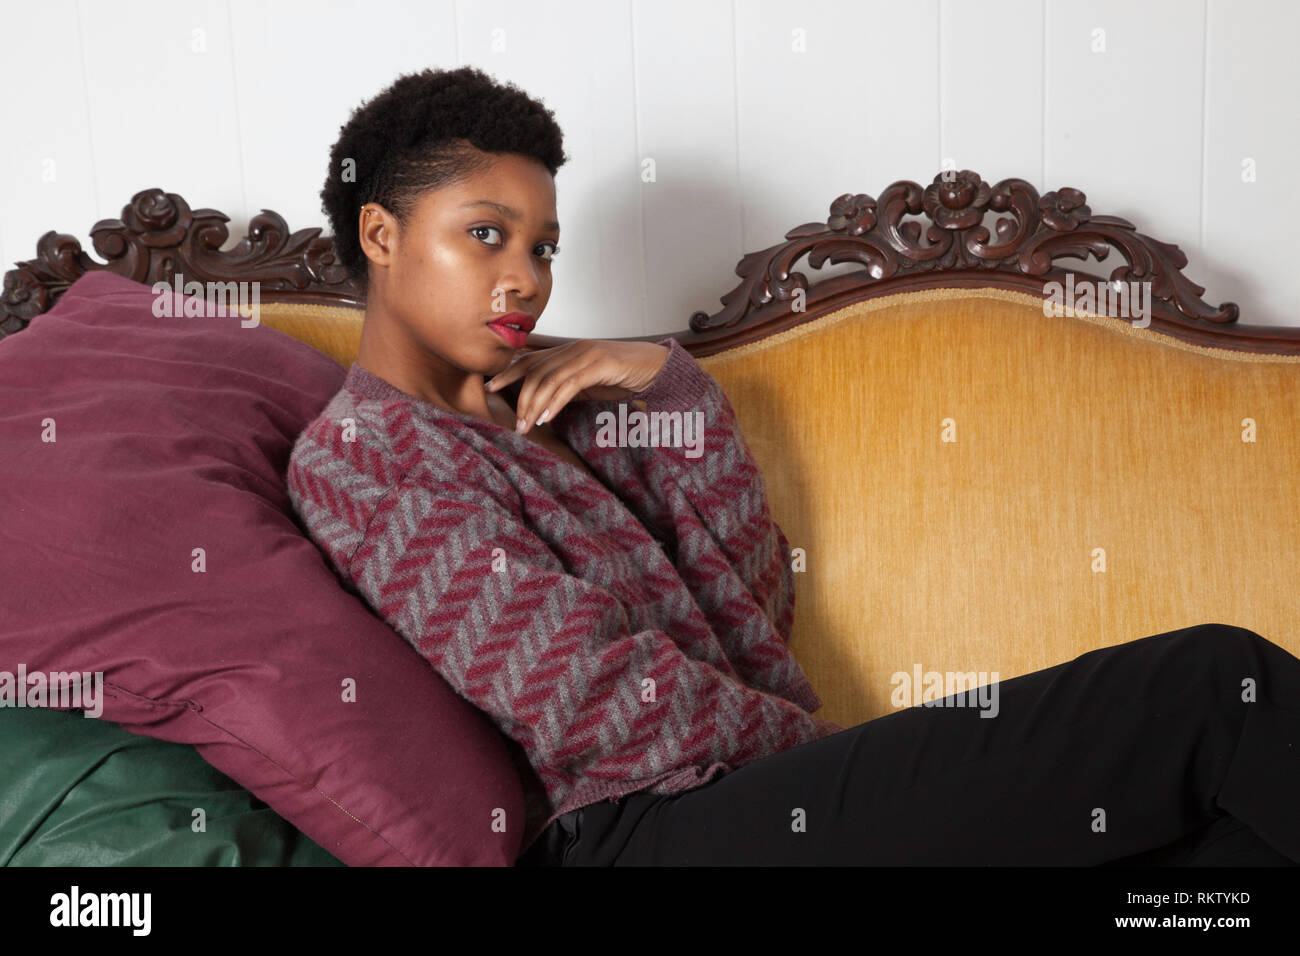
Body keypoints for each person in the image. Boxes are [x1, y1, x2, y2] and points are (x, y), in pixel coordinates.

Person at [288, 65, 1300, 867]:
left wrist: (668, 386)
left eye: (544, 246)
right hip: (640, 830)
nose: (526, 278)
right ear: (381, 232)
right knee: (1217, 683)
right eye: (485, 235)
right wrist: (826, 750)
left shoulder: (570, 409)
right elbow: (581, 696)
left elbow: (751, 607)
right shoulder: (361, 454)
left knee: (1216, 860)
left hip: (752, 805)